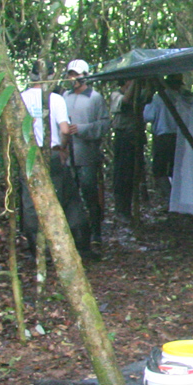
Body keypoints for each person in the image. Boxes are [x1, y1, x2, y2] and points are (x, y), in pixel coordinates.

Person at [19, 65, 96, 261]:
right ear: (51, 77)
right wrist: (62, 148)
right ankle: (78, 247)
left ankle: (38, 251)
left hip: (29, 156)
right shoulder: (55, 99)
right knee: (67, 200)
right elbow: (64, 129)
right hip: (52, 156)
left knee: (31, 202)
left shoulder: (20, 98)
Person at [61, 59, 109, 248]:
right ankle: (76, 233)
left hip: (87, 154)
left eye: (77, 74)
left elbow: (104, 124)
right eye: (70, 74)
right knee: (70, 195)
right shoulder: (64, 96)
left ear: (86, 76)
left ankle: (96, 233)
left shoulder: (95, 98)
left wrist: (83, 129)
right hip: (67, 155)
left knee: (90, 192)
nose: (73, 78)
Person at [109, 80, 145, 223]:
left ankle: (130, 210)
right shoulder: (116, 95)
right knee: (122, 176)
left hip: (135, 137)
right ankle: (121, 210)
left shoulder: (139, 96)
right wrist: (135, 83)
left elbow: (147, 97)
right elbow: (124, 102)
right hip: (123, 138)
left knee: (134, 175)